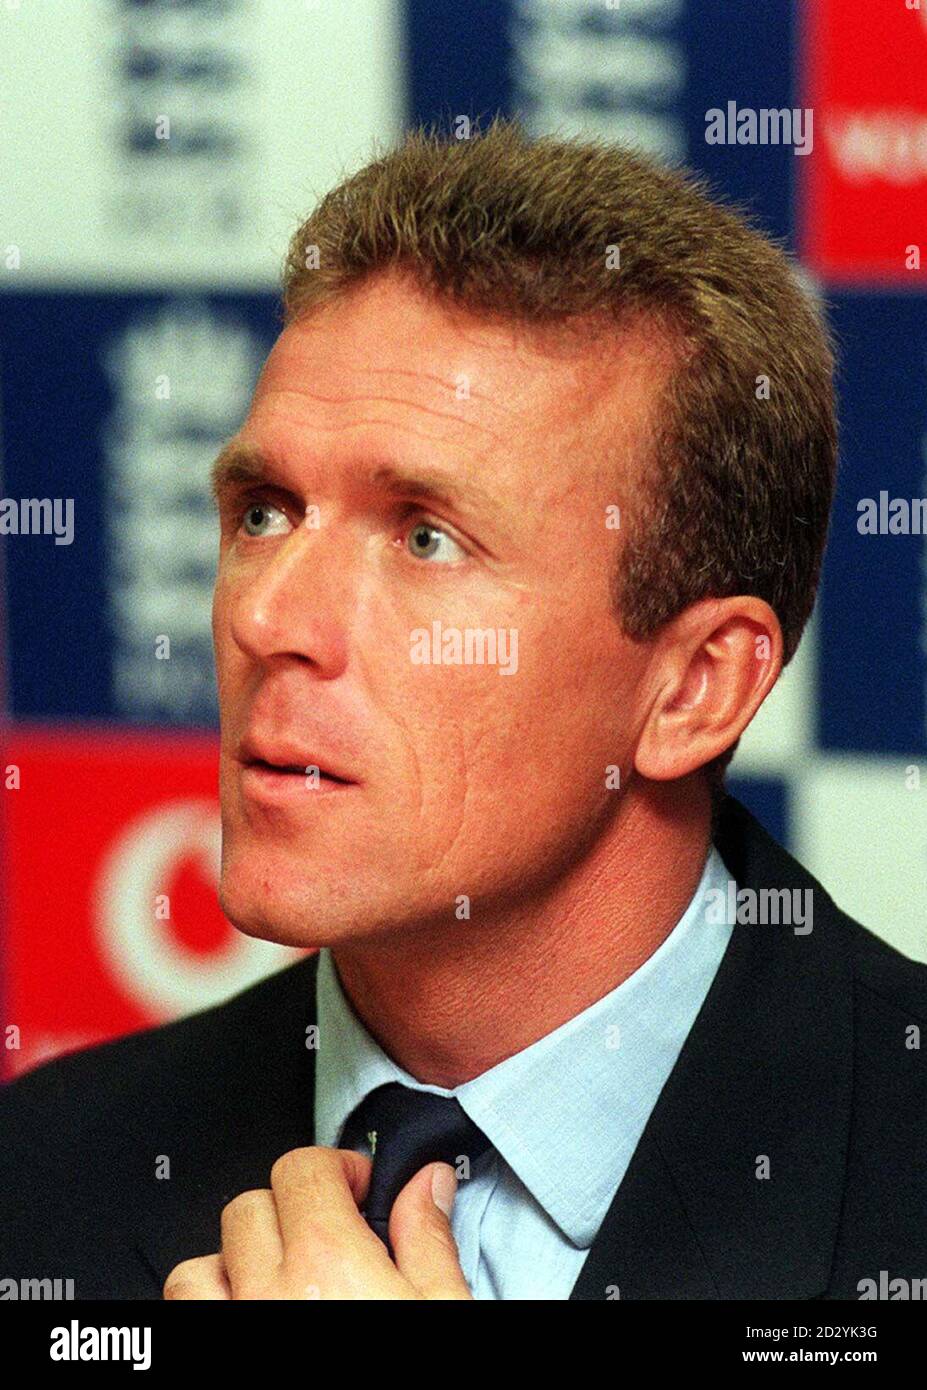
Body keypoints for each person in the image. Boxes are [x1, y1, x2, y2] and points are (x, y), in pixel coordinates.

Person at [2, 118, 925, 1301]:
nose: (269, 616)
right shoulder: (38, 1181)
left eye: (428, 538)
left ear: (695, 687)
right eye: (266, 510)